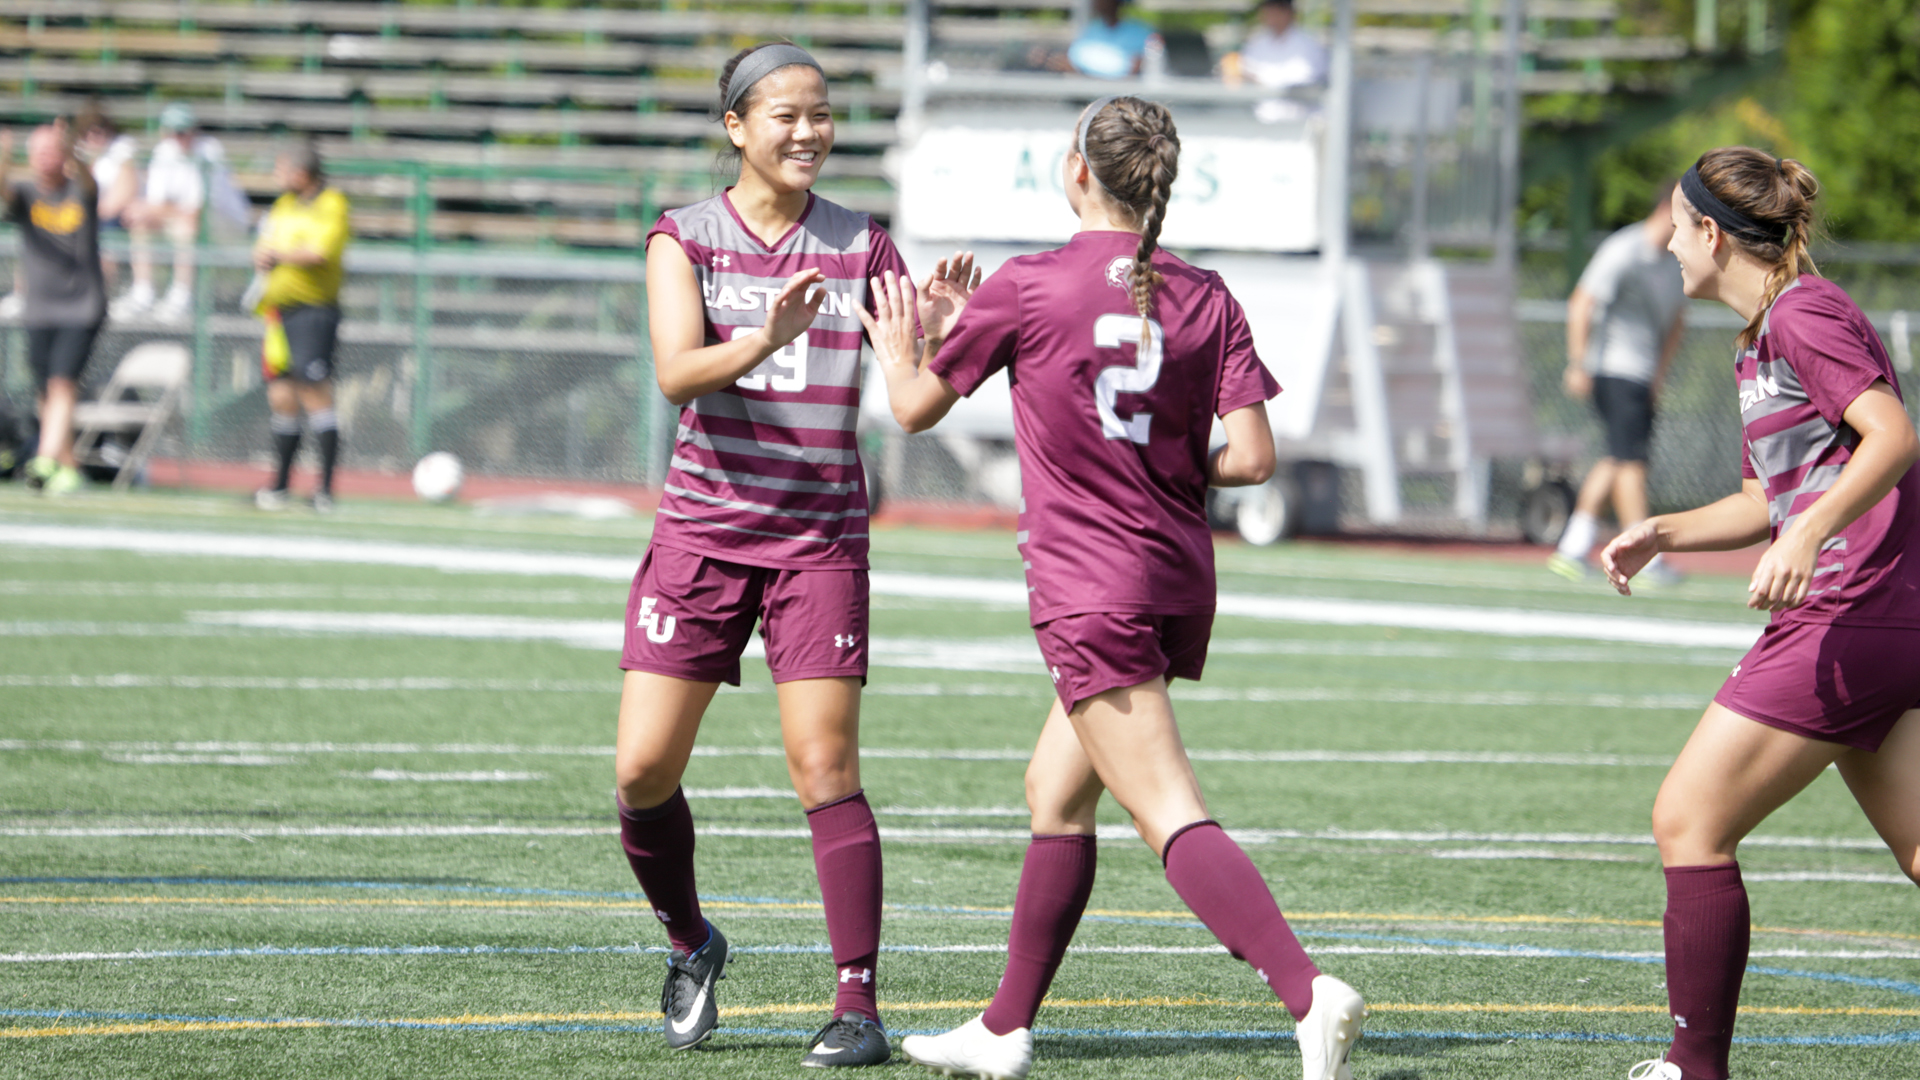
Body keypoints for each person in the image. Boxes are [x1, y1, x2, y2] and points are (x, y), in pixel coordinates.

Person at [864, 95, 1368, 1080]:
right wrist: (1168, 464)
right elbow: (1254, 459)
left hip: (1092, 583)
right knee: (1054, 793)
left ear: (1077, 172)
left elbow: (914, 409)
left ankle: (1307, 991)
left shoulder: (1029, 283)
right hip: (1176, 578)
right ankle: (1005, 1027)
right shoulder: (1204, 293)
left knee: (1166, 806)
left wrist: (909, 337)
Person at [618, 41, 972, 1069]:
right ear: (736, 128)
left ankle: (856, 1002)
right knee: (642, 771)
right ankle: (691, 942)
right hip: (701, 536)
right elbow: (680, 373)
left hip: (819, 540)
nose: (810, 131)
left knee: (824, 764)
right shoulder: (682, 239)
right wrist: (763, 341)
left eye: (821, 114)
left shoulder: (865, 244)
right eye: (786, 115)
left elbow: (909, 408)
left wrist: (941, 341)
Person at [1601, 148, 1920, 1080]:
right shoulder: (1760, 335)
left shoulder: (1803, 312)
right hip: (1881, 616)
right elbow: (1761, 500)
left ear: (1710, 230)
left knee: (1688, 821)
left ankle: (1692, 1069)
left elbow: (1894, 437)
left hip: (1849, 613)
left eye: (1674, 222)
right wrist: (1664, 529)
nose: (1665, 240)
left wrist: (1809, 531)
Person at [1551, 184, 1689, 583]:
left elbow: (1678, 320)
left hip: (1643, 374)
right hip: (1614, 370)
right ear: (1666, 208)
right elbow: (1582, 302)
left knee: (1616, 458)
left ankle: (1572, 547)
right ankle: (1647, 557)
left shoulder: (1673, 260)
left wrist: (1660, 373)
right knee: (1631, 462)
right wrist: (1578, 363)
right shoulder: (1624, 250)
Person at [2, 121, 106, 496]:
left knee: (62, 384)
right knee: (47, 391)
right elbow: (4, 192)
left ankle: (43, 461)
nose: (46, 156)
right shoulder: (27, 193)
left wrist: (75, 149)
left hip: (82, 307)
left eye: (52, 149)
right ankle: (69, 468)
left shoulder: (80, 189)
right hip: (39, 309)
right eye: (39, 150)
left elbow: (91, 183)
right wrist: (3, 154)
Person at [252, 142, 350, 513]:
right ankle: (279, 486)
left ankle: (324, 490)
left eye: (281, 170)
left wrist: (279, 255)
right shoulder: (284, 205)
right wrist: (261, 253)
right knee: (281, 395)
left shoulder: (332, 204)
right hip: (278, 312)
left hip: (313, 311)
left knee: (314, 393)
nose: (277, 178)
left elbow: (320, 252)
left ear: (300, 172)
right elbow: (267, 241)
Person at [115, 102, 226, 323]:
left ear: (194, 130)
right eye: (173, 131)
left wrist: (152, 210)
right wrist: (145, 211)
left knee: (186, 228)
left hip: (223, 224)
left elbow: (196, 210)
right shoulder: (164, 151)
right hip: (182, 219)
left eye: (183, 131)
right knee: (141, 222)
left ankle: (182, 296)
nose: (178, 137)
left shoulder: (210, 152)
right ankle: (143, 292)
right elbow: (156, 204)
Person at [1032, 0, 1157, 79]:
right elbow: (1071, 63)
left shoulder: (1139, 32)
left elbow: (1132, 73)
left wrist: (1087, 77)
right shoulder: (1091, 30)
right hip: (1086, 97)